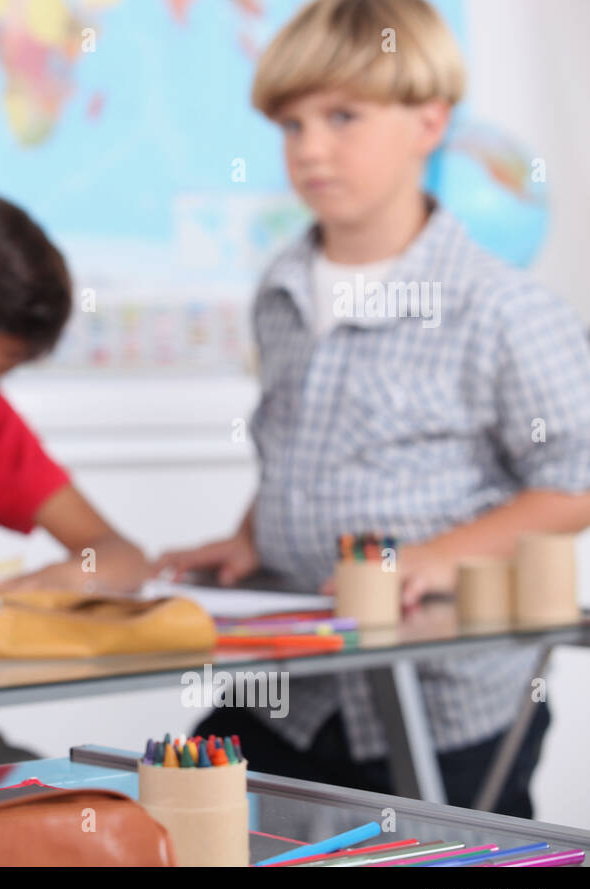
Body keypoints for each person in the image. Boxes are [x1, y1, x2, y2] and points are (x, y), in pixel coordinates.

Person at [153, 0, 590, 816]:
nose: (311, 148)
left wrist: (438, 555)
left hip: (444, 704)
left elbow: (573, 483)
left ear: (430, 121)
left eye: (342, 117)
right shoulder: (280, 288)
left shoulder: (500, 308)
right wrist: (252, 534)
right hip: (296, 676)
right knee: (181, 810)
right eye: (291, 124)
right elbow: (298, 442)